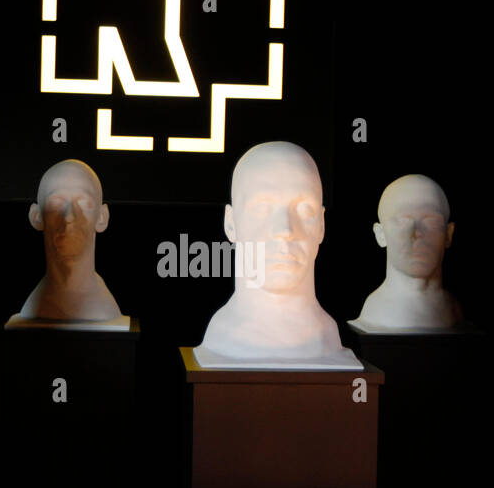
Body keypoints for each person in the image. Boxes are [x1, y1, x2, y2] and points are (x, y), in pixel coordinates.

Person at [197, 141, 351, 361]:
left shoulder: (327, 337)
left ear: (321, 225)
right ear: (230, 224)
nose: (284, 230)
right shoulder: (222, 337)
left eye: (304, 209)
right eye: (261, 208)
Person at [17, 159, 122, 321]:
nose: (69, 216)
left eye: (84, 203)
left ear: (102, 217)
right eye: (56, 203)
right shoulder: (36, 306)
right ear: (36, 216)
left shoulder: (103, 308)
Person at [355, 174, 461, 330]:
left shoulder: (453, 310)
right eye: (402, 221)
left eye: (431, 221)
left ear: (448, 234)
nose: (416, 233)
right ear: (380, 234)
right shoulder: (376, 311)